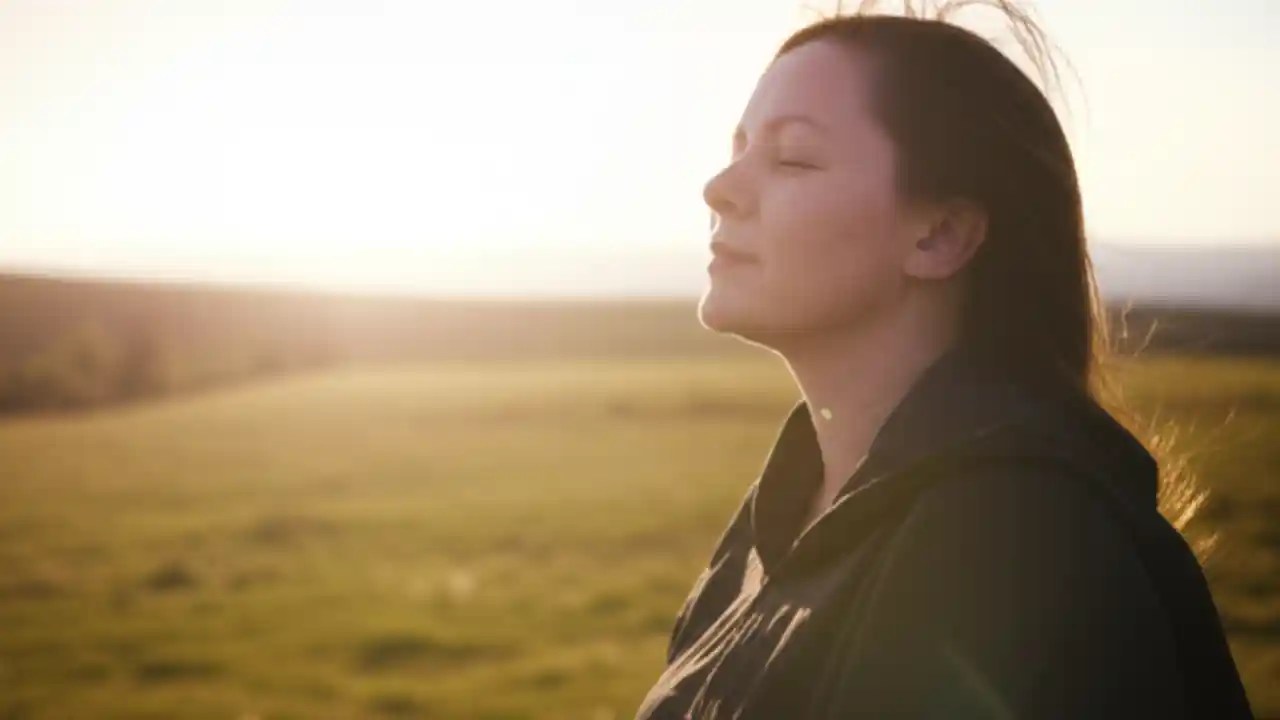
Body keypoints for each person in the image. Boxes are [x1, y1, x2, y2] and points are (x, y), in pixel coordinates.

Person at [632, 4, 1255, 719]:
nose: (719, 187)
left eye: (793, 158)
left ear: (940, 235)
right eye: (739, 148)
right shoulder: (774, 521)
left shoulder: (1017, 545)